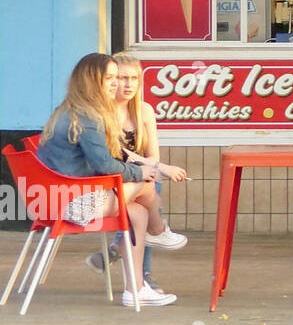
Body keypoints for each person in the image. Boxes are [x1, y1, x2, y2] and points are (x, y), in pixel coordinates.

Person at [35, 54, 187, 307]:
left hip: (51, 200)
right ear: (91, 80)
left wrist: (150, 167)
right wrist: (140, 173)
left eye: (120, 77)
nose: (117, 84)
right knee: (147, 186)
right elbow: (104, 164)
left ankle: (135, 290)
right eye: (111, 78)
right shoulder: (88, 115)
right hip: (69, 205)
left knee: (138, 212)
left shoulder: (69, 108)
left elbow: (115, 154)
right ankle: (158, 230)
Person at [85, 53, 188, 291]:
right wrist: (155, 169)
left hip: (133, 181)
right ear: (109, 80)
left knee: (147, 191)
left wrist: (151, 168)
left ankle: (118, 252)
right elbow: (115, 157)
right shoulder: (100, 114)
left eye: (134, 78)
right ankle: (146, 265)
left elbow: (153, 156)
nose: (129, 84)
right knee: (150, 185)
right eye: (121, 78)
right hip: (106, 180)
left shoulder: (145, 111)